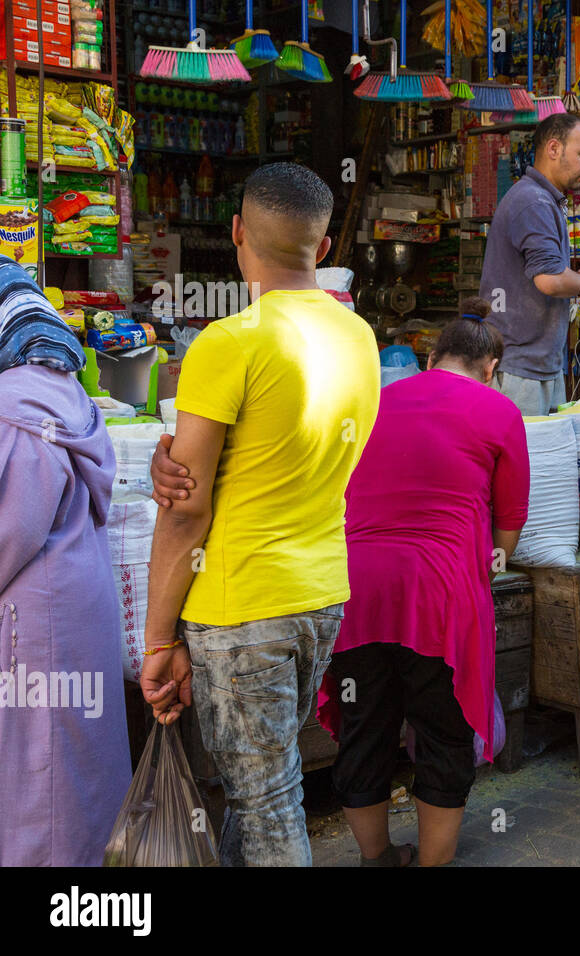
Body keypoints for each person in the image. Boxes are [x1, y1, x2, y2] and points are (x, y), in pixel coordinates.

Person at [142, 163, 381, 866]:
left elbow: (185, 514)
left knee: (269, 804)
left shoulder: (228, 342)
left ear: (238, 232)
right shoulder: (358, 338)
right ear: (325, 247)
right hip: (318, 598)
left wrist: (158, 641)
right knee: (263, 794)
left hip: (240, 606)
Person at [319, 297, 529, 867]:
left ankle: (378, 857)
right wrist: (495, 563)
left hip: (357, 591)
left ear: (430, 357)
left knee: (365, 727)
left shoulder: (371, 403)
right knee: (443, 730)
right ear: (490, 369)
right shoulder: (498, 410)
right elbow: (509, 521)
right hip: (440, 598)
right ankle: (434, 863)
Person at [0, 255, 131, 866]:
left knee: (41, 786)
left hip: (35, 620)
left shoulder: (13, 404)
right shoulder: (65, 388)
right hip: (72, 602)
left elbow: (10, 528)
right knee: (75, 770)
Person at [480, 113, 580, 417]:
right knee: (527, 462)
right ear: (554, 149)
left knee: (541, 461)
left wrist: (578, 277)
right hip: (519, 370)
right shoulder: (533, 202)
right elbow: (550, 281)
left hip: (538, 366)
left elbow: (551, 276)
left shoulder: (543, 200)